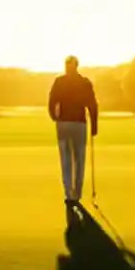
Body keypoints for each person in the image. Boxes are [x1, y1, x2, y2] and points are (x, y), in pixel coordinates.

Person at [49, 55, 99, 206]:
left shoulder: (60, 82)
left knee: (66, 159)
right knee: (79, 159)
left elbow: (52, 102)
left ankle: (69, 193)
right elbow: (92, 105)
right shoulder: (84, 82)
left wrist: (54, 117)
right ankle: (76, 193)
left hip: (64, 124)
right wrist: (94, 126)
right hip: (79, 124)